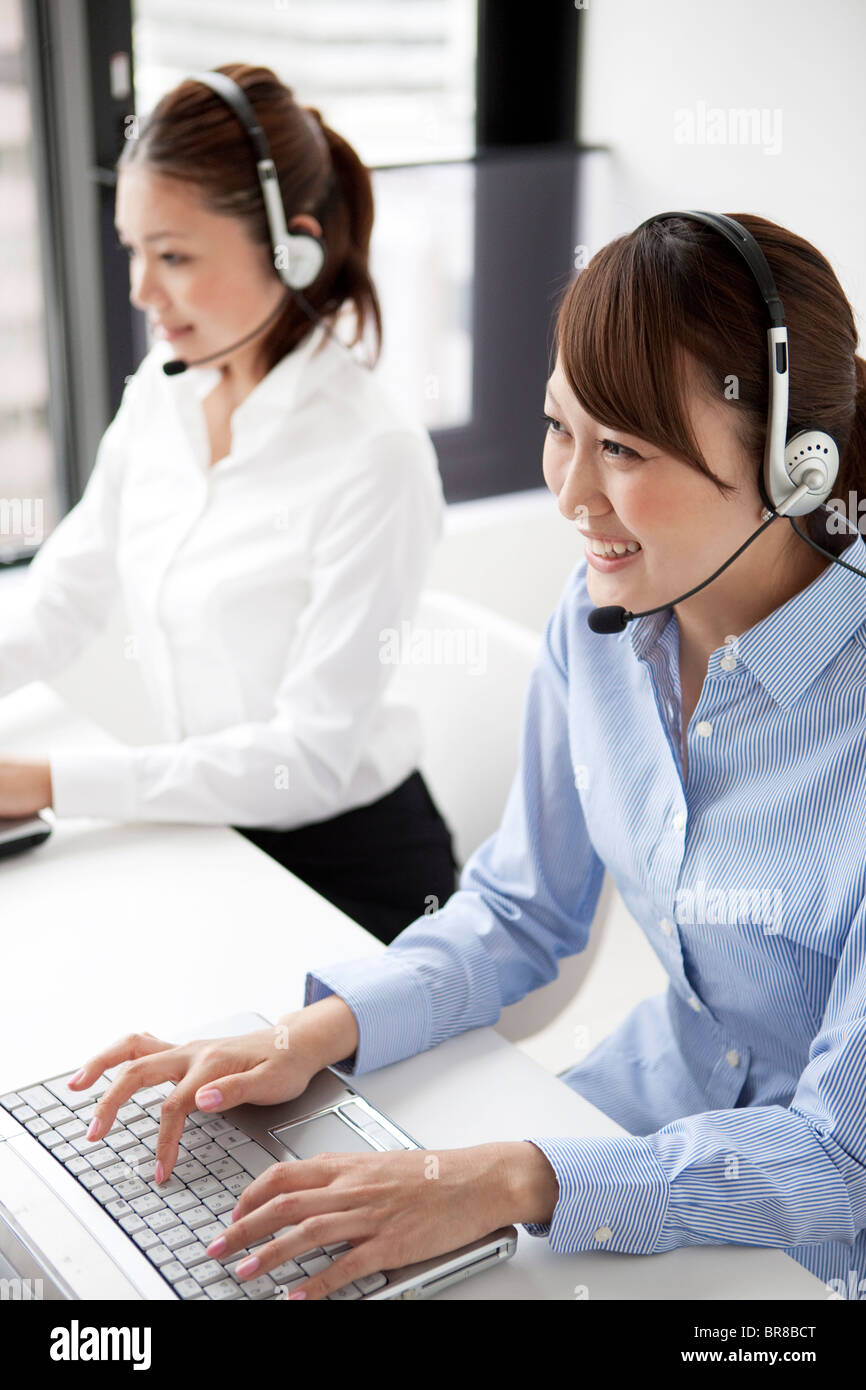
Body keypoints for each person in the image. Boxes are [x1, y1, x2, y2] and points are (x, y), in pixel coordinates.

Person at [69, 211, 866, 1301]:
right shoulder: (599, 630)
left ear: (793, 462)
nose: (571, 494)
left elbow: (837, 1155)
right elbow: (519, 911)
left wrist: (506, 1179)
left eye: (623, 449)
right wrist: (315, 1034)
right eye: (557, 429)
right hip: (622, 1123)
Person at [0, 64, 457, 946]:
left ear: (292, 249)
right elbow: (60, 602)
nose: (140, 290)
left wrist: (46, 780)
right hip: (212, 837)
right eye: (133, 249)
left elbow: (310, 758)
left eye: (172, 256)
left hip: (350, 876)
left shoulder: (375, 456)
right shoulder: (160, 398)